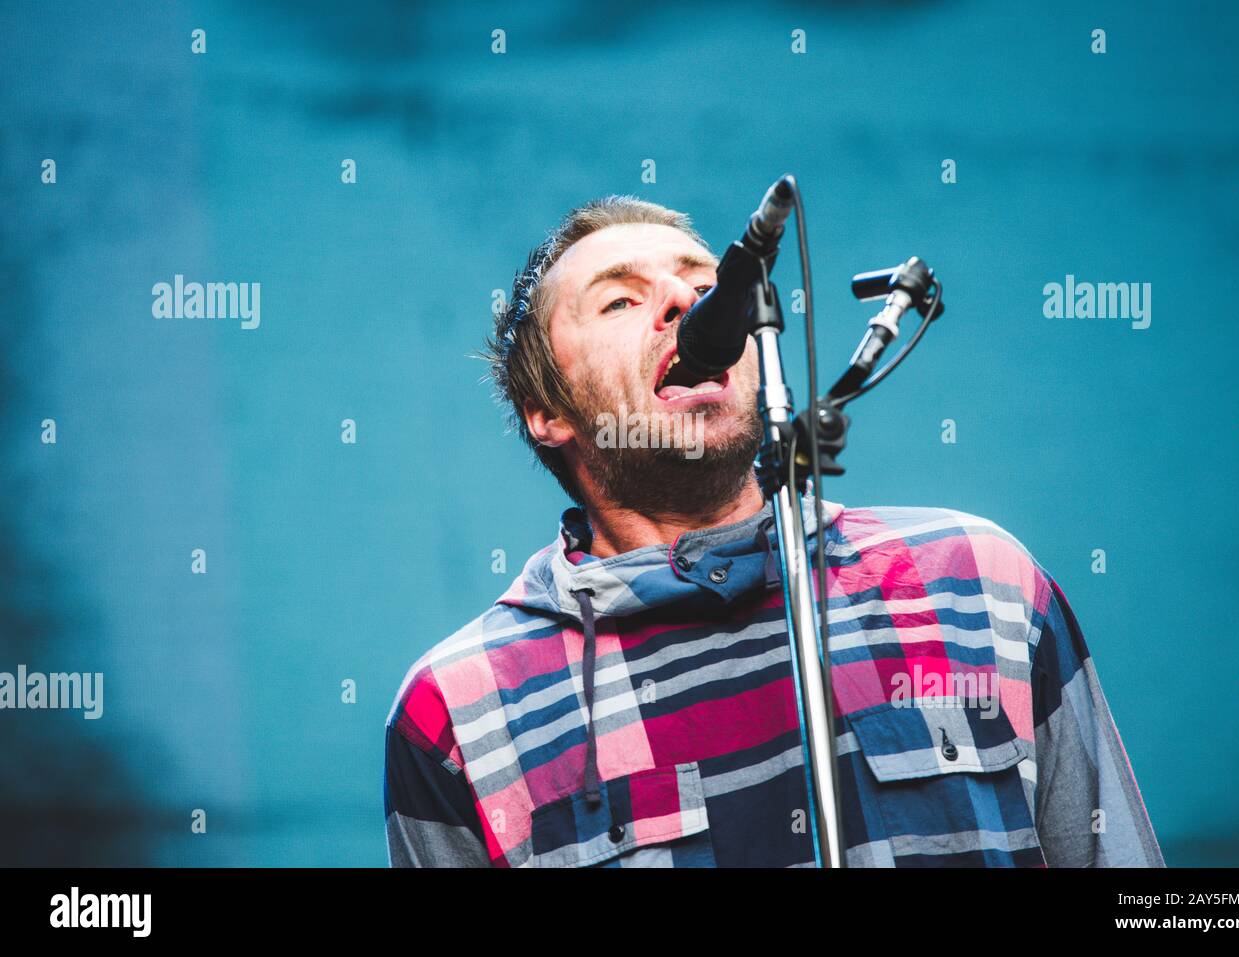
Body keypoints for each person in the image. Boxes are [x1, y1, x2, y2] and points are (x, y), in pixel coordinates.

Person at [383, 196, 1164, 868]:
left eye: (705, 284)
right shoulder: (459, 710)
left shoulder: (976, 581)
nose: (685, 305)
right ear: (546, 413)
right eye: (619, 301)